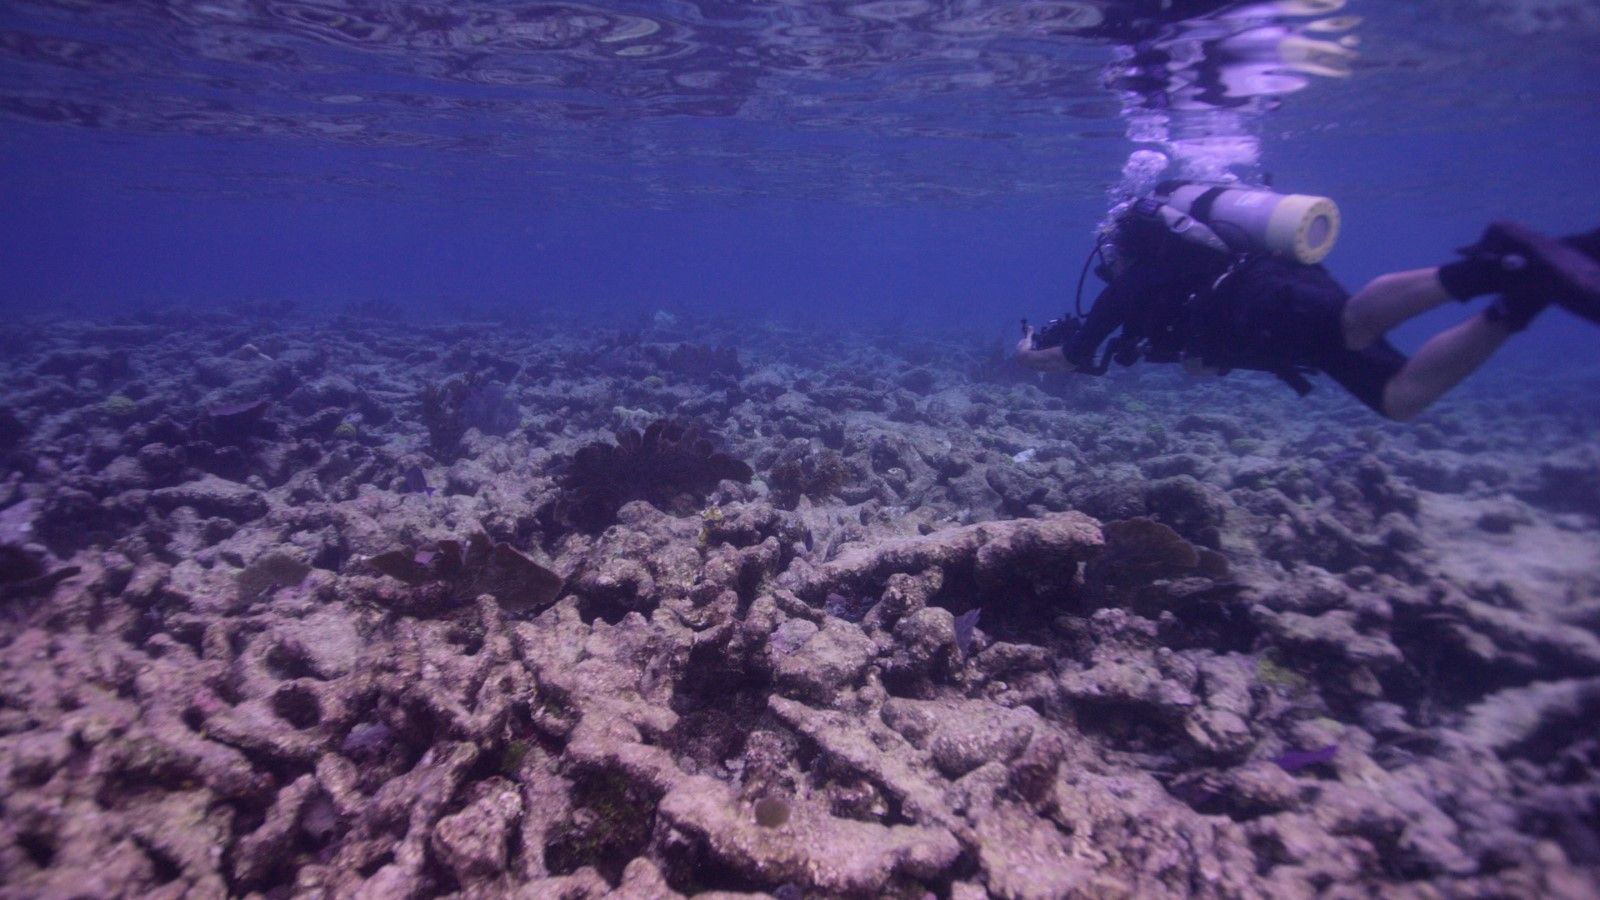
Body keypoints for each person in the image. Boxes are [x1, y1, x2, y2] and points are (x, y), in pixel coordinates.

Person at [1017, 188, 1600, 421]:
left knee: (1355, 325)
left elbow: (1072, 358)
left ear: (1119, 249)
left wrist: (1027, 354)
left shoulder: (1132, 285)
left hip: (1269, 304)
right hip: (1280, 296)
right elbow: (1201, 358)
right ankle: (1523, 291)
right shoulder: (1178, 272)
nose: (1106, 272)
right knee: (1398, 396)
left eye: (1106, 261)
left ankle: (1491, 269)